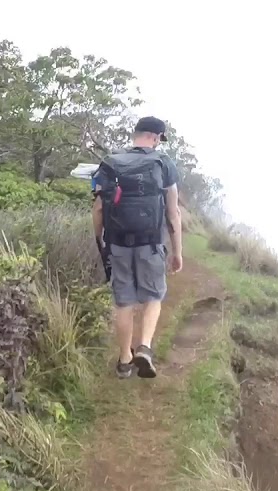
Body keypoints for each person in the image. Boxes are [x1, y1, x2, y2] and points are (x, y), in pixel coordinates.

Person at [93, 116, 183, 379]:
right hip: (151, 243)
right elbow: (173, 212)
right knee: (153, 296)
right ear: (155, 138)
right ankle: (144, 346)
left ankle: (124, 361)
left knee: (124, 301)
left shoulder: (110, 163)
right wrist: (177, 252)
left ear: (136, 134)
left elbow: (98, 208)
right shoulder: (163, 163)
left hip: (118, 243)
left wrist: (101, 242)